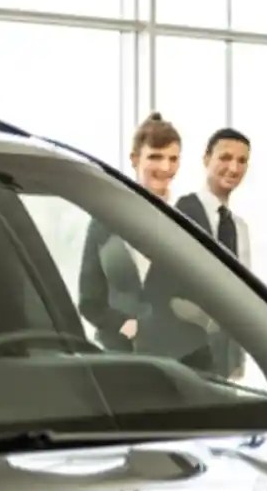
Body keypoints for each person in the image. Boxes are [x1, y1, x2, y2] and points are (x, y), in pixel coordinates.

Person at [78, 112, 182, 351]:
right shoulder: (104, 220)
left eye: (173, 158)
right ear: (135, 159)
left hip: (177, 359)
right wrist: (123, 324)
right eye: (155, 157)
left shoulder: (187, 221)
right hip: (119, 358)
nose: (166, 167)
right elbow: (89, 302)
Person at [174, 127, 252, 378]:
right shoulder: (182, 213)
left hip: (226, 360)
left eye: (242, 161)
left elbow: (243, 295)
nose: (234, 168)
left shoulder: (239, 227)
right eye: (225, 158)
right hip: (188, 356)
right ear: (206, 159)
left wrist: (238, 356)